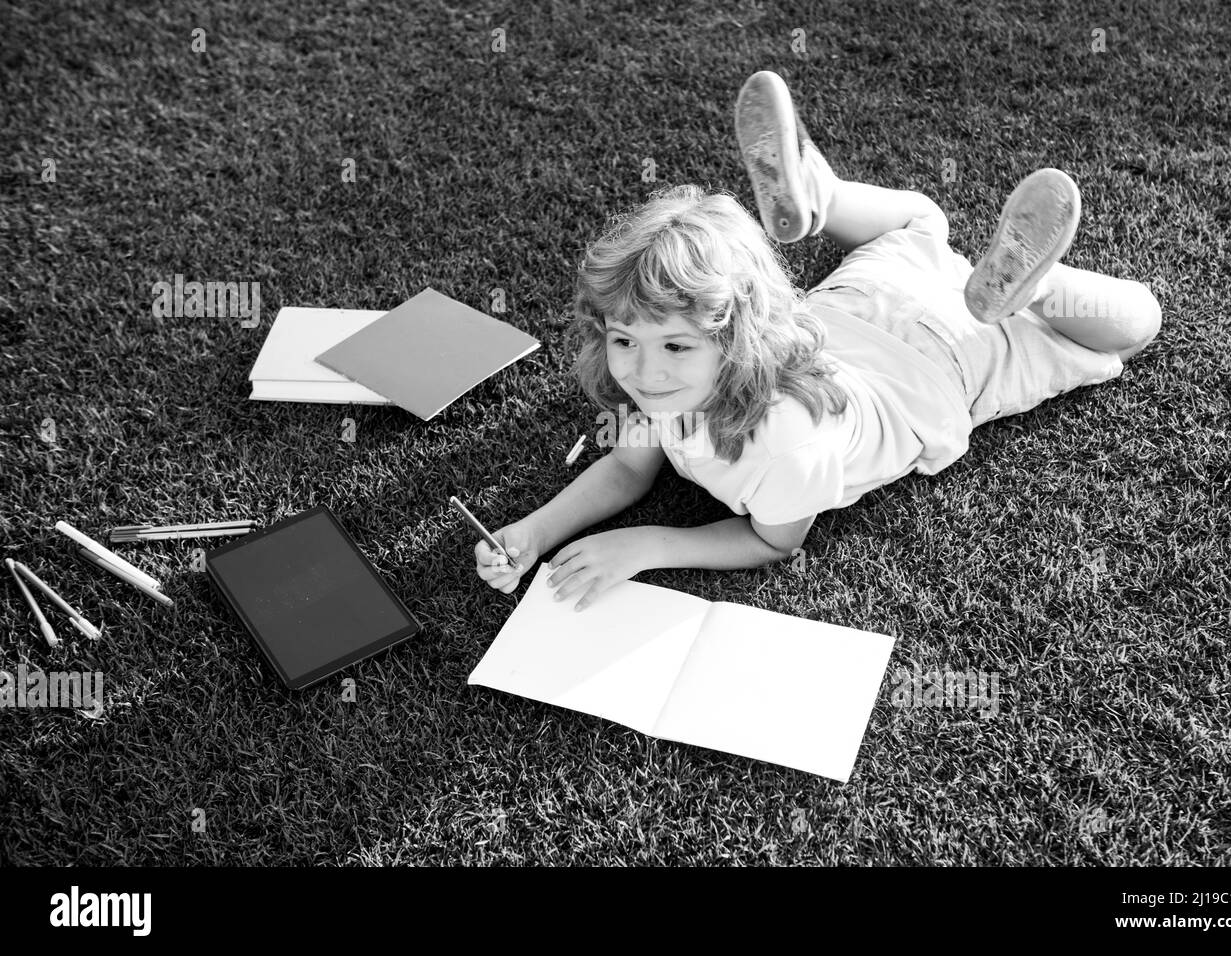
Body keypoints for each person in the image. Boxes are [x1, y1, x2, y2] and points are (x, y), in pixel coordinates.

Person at [473, 70, 1162, 611]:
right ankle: (822, 201)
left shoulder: (788, 448)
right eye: (624, 340)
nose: (643, 372)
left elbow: (770, 541)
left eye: (675, 347)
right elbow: (628, 469)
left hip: (948, 354)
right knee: (919, 223)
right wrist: (532, 532)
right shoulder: (664, 385)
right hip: (855, 308)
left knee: (1135, 326)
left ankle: (1030, 290)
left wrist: (646, 544)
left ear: (737, 338)